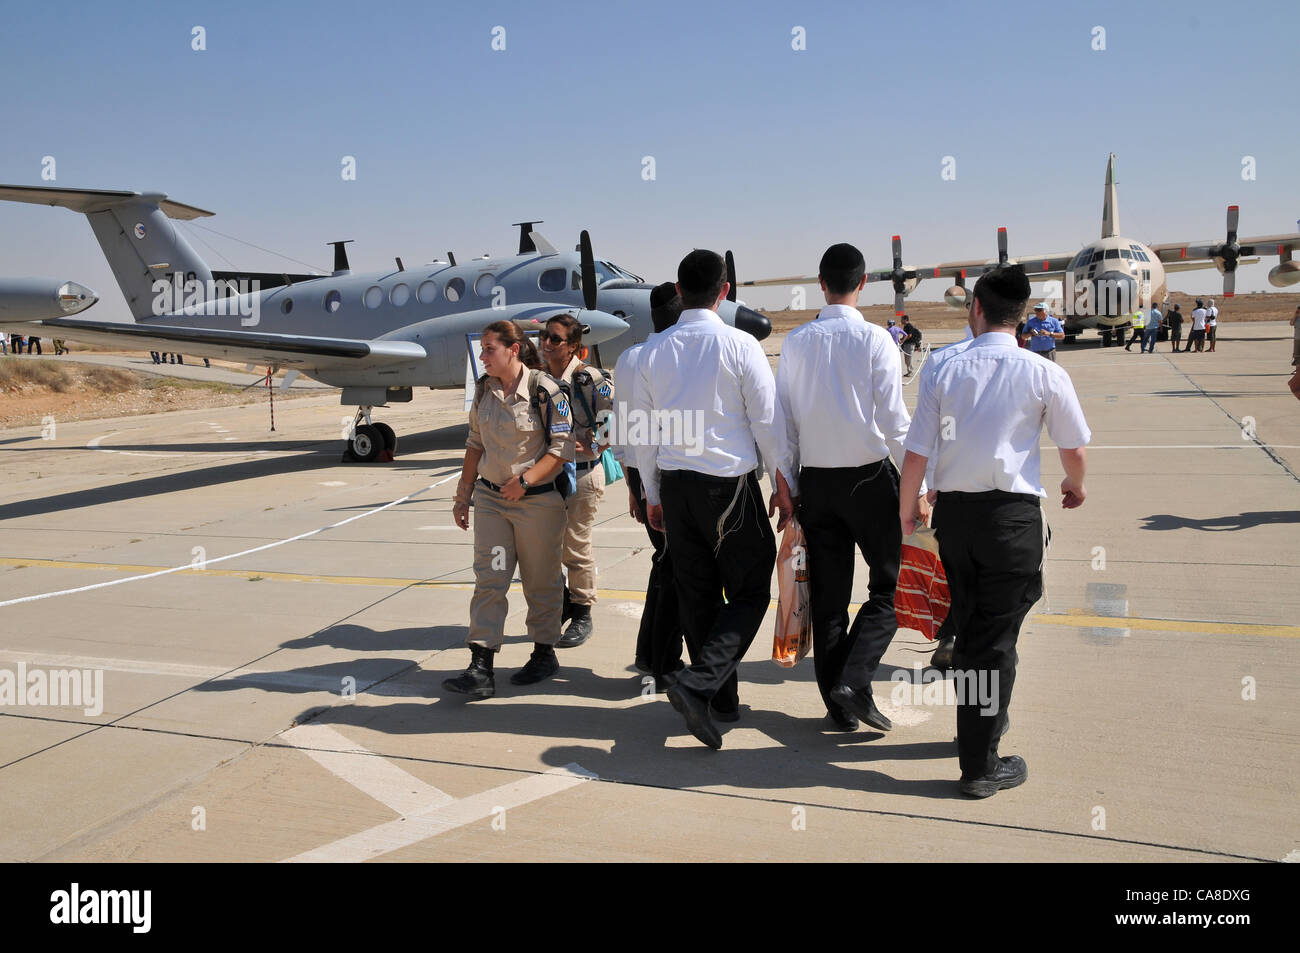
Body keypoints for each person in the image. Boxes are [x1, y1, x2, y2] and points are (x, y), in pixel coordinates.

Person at [899, 263, 1090, 798]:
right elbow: (1073, 449)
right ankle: (980, 763)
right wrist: (1076, 486)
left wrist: (907, 510)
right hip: (1011, 521)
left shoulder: (941, 366)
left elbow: (918, 449)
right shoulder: (1044, 372)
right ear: (1023, 314)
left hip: (956, 518)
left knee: (978, 634)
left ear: (976, 309)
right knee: (992, 642)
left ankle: (986, 726)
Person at [636, 249, 794, 749]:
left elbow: (643, 433)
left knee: (697, 597)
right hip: (728, 487)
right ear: (724, 291)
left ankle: (720, 701)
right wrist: (783, 482)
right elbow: (767, 422)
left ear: (679, 291)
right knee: (749, 592)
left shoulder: (651, 352)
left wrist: (653, 493)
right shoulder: (740, 345)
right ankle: (701, 684)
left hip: (676, 485)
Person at [776, 243, 930, 733]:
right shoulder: (876, 341)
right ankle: (854, 679)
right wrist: (919, 487)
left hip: (816, 483)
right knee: (890, 584)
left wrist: (788, 483)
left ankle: (838, 704)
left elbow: (784, 424)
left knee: (829, 597)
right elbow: (894, 425)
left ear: (821, 283)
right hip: (868, 480)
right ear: (863, 283)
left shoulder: (797, 342)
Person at [443, 320, 575, 698]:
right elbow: (474, 443)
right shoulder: (484, 390)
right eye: (482, 348)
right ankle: (481, 664)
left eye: (489, 349)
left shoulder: (545, 389)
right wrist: (463, 494)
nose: (482, 356)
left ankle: (544, 652)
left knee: (540, 579)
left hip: (536, 503)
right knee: (491, 577)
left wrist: (527, 481)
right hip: (492, 503)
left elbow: (562, 448)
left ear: (512, 350)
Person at [613, 283, 685, 689]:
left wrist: (633, 486)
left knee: (666, 562)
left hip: (641, 471)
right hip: (666, 473)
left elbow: (623, 431)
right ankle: (662, 659)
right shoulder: (666, 357)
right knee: (674, 566)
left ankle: (651, 653)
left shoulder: (629, 357)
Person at [541, 312, 614, 649]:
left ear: (572, 346)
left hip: (582, 475)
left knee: (575, 546)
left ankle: (582, 611)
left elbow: (615, 422)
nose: (546, 343)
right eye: (544, 336)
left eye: (555, 339)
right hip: (548, 477)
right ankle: (565, 602)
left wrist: (597, 441)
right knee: (544, 547)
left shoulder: (593, 378)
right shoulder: (537, 380)